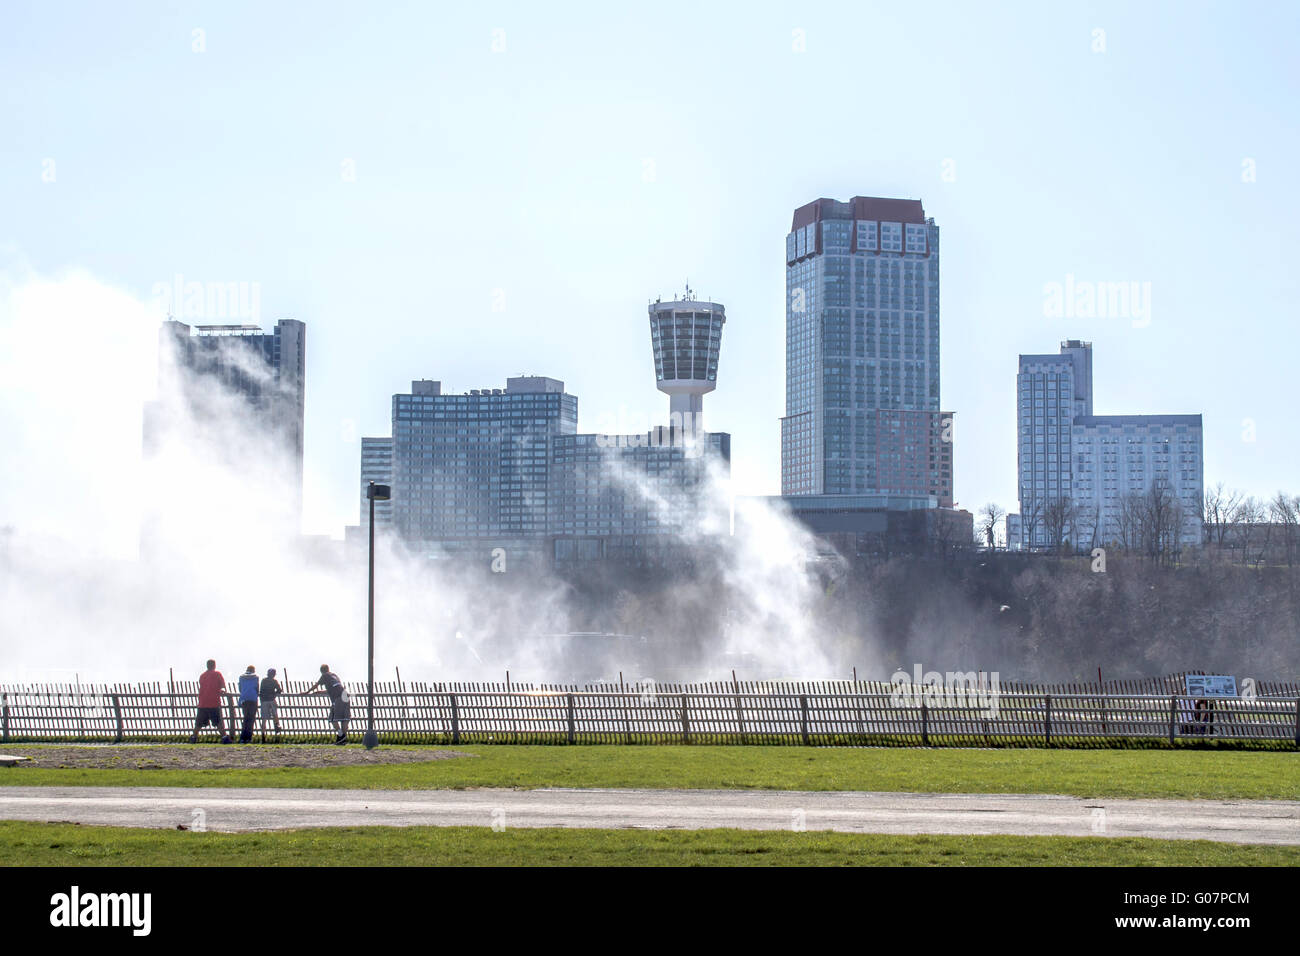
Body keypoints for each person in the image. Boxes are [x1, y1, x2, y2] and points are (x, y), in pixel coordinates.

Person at [301, 665, 351, 744]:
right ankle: (343, 739)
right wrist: (320, 692)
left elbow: (316, 685)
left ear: (321, 671)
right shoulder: (334, 675)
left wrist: (307, 692)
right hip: (345, 696)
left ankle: (341, 735)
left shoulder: (325, 675)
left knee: (332, 718)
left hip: (338, 698)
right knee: (344, 718)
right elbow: (334, 688)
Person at [190, 659, 232, 744]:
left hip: (202, 702)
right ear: (214, 665)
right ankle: (224, 738)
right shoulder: (217, 674)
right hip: (213, 702)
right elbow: (222, 686)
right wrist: (222, 690)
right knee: (217, 722)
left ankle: (193, 737)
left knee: (198, 723)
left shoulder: (202, 675)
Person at [259, 667, 284, 742]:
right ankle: (277, 730)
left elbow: (261, 690)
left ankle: (263, 736)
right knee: (275, 716)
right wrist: (275, 694)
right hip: (272, 700)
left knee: (264, 719)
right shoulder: (274, 681)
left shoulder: (263, 681)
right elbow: (279, 690)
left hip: (264, 701)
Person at [237, 666, 259, 743]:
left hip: (244, 699)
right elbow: (257, 688)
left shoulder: (241, 677)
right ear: (253, 670)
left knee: (245, 718)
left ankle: (242, 737)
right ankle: (249, 737)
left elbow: (240, 688)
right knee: (251, 718)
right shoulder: (256, 677)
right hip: (253, 699)